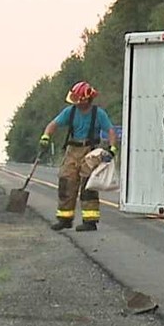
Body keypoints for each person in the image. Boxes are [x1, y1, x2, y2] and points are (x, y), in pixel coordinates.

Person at [39, 81, 117, 232]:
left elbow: (111, 131)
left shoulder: (98, 113)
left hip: (90, 151)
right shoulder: (70, 111)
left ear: (86, 99)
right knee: (66, 181)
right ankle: (65, 219)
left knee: (88, 185)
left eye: (78, 99)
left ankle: (90, 221)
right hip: (72, 150)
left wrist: (112, 149)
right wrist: (45, 136)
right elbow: (53, 124)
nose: (75, 102)